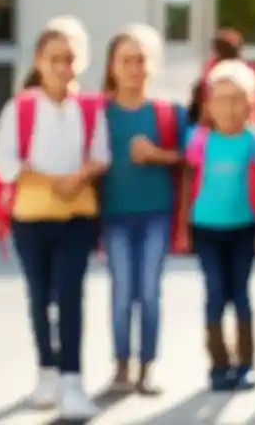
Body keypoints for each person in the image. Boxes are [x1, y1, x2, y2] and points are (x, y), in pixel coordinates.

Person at [0, 27, 110, 420]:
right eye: (53, 59)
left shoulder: (90, 107)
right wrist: (48, 179)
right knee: (40, 294)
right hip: (32, 217)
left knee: (71, 293)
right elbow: (4, 163)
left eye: (69, 59)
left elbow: (102, 154)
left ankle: (73, 379)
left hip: (77, 218)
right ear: (39, 63)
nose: (61, 67)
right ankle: (48, 371)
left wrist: (80, 175)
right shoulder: (20, 108)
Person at [99, 26, 186, 395]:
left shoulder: (168, 113)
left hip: (156, 214)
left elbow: (190, 158)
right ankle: (121, 365)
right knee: (122, 291)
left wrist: (158, 155)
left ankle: (147, 366)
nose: (134, 68)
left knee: (149, 290)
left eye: (141, 60)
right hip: (114, 215)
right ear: (113, 67)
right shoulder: (99, 114)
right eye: (127, 60)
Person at [184, 60, 255, 392]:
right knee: (215, 293)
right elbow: (188, 182)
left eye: (237, 99)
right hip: (206, 228)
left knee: (241, 294)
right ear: (209, 105)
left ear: (250, 103)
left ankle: (247, 364)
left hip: (243, 229)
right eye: (221, 99)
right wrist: (182, 227)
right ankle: (218, 364)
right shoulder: (198, 139)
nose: (229, 108)